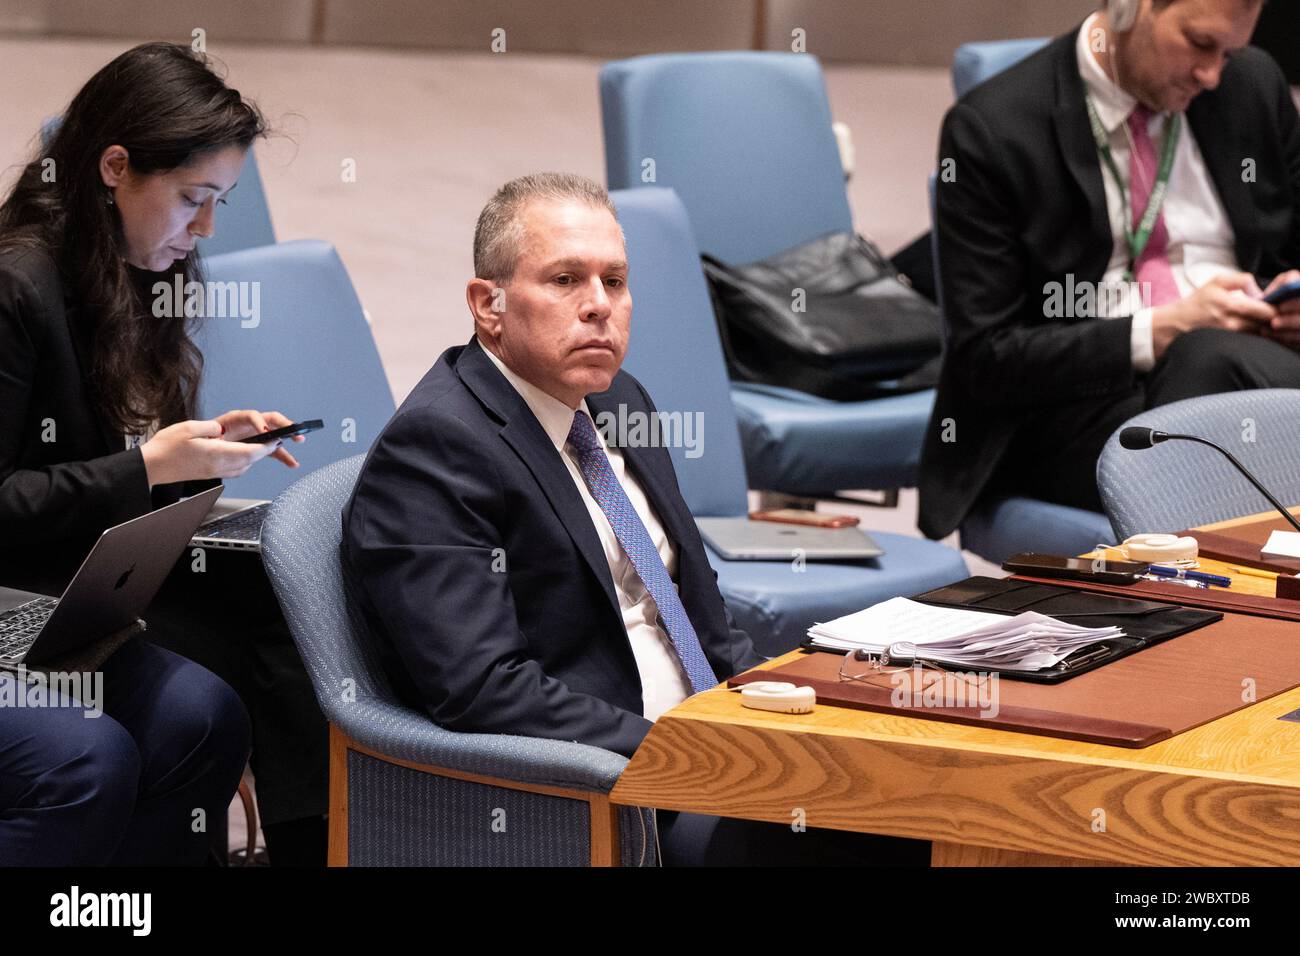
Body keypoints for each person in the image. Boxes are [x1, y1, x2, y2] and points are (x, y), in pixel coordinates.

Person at [342, 173, 928, 865]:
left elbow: (698, 612)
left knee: (922, 790)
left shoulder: (622, 401)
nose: (599, 307)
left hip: (710, 745)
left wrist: (771, 712)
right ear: (487, 304)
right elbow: (483, 690)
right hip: (607, 787)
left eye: (615, 282)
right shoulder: (437, 450)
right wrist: (691, 750)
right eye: (565, 280)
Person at [0, 42, 326, 864]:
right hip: (12, 600)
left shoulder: (140, 268)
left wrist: (204, 452)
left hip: (63, 588)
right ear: (115, 167)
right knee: (91, 756)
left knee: (210, 704)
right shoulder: (15, 287)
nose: (207, 227)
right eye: (193, 198)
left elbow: (106, 452)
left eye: (221, 200)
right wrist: (147, 466)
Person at [919, 0, 1300, 540]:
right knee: (1207, 357)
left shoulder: (1251, 85)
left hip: (1253, 371)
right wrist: (1160, 331)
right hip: (1080, 405)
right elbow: (987, 358)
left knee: (1221, 370)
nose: (1212, 75)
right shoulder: (996, 127)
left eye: (1230, 52)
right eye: (1199, 44)